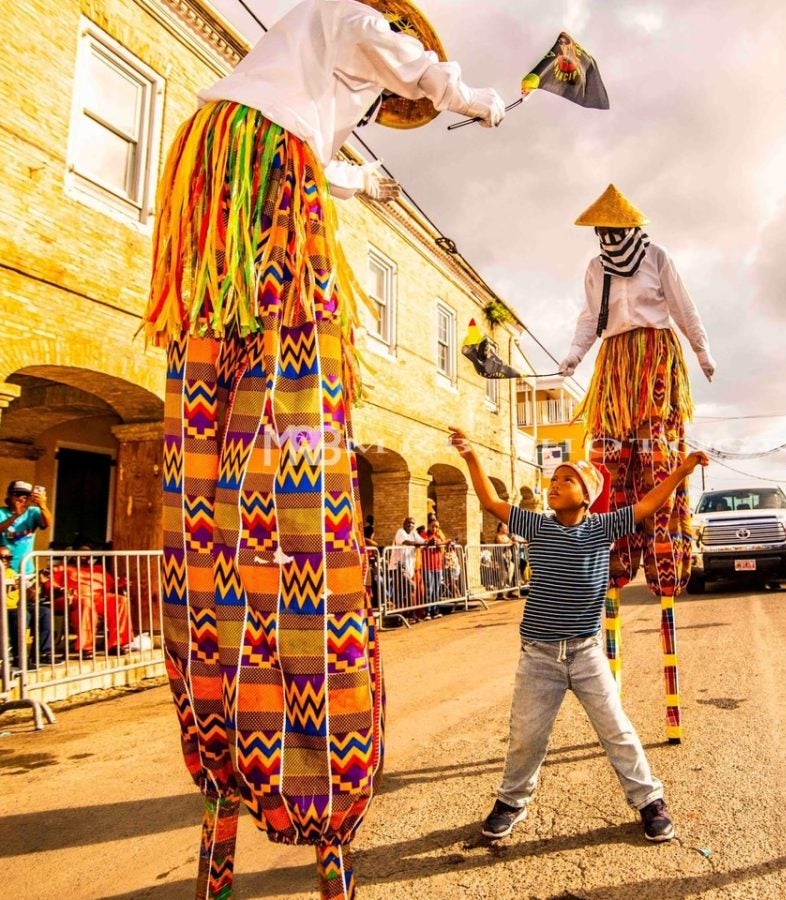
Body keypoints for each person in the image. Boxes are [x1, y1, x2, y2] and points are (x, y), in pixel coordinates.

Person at [139, 2, 505, 896]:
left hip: (224, 177)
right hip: (254, 171)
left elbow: (311, 152)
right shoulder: (351, 17)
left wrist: (362, 186)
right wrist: (475, 99)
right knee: (293, 353)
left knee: (226, 338)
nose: (379, 103)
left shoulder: (296, 100)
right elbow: (402, 57)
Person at [449, 426, 708, 843]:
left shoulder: (603, 527)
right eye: (554, 480)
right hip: (539, 656)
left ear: (586, 495)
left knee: (617, 730)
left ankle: (649, 801)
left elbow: (649, 503)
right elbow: (492, 501)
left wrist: (684, 470)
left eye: (566, 480)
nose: (555, 486)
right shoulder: (537, 526)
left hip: (587, 653)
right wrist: (471, 456)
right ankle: (512, 801)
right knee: (526, 736)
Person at [560, 184, 716, 743]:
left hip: (654, 360)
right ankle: (612, 569)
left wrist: (701, 350)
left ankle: (667, 566)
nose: (608, 238)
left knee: (658, 468)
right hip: (614, 364)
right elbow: (589, 319)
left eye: (614, 230)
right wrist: (573, 356)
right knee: (609, 474)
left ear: (630, 229)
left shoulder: (657, 257)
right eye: (601, 232)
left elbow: (683, 306)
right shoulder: (595, 269)